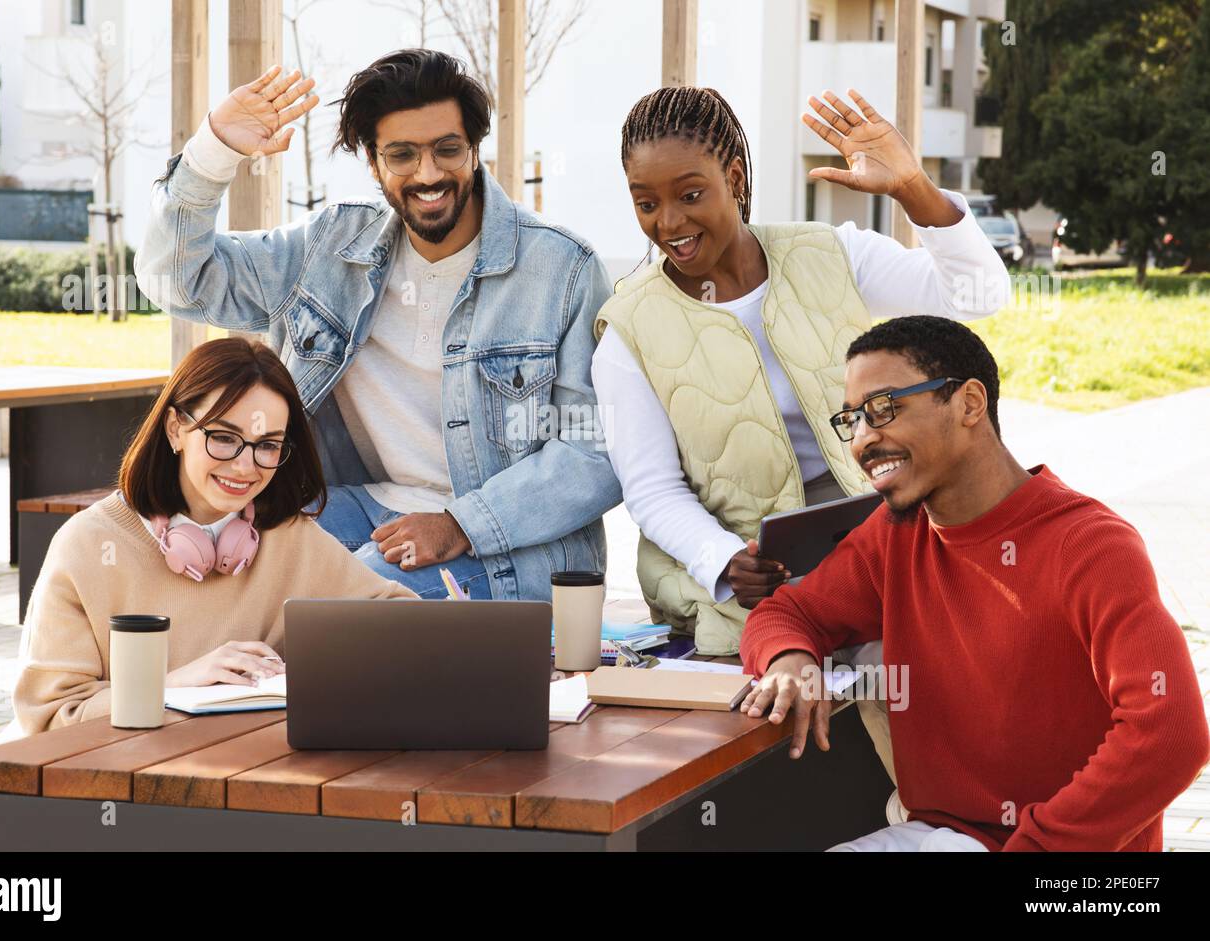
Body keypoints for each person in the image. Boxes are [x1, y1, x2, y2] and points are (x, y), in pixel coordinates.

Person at [135, 49, 620, 601]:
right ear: (372, 162)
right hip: (367, 505)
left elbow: (596, 451)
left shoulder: (564, 270)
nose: (429, 173)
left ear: (475, 150)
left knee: (335, 609)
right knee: (207, 578)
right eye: (403, 155)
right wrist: (213, 153)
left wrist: (461, 524)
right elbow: (175, 279)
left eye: (447, 150)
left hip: (508, 548)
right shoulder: (329, 249)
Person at [739, 316, 1210, 851]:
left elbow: (1171, 735)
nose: (864, 439)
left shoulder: (1090, 546)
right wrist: (789, 659)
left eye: (884, 408)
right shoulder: (896, 534)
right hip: (939, 835)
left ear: (968, 403)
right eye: (852, 420)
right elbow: (787, 613)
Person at [592, 85, 1010, 657]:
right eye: (646, 204)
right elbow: (652, 489)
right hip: (746, 580)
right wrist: (724, 560)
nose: (669, 224)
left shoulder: (828, 254)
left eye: (690, 195)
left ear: (734, 178)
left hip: (877, 540)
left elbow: (976, 294)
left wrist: (914, 188)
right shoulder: (627, 330)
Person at [12, 338, 416, 735]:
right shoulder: (87, 545)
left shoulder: (290, 538)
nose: (244, 467)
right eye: (223, 437)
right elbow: (51, 717)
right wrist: (178, 682)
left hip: (244, 774)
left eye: (268, 445)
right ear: (175, 429)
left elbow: (404, 625)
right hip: (111, 784)